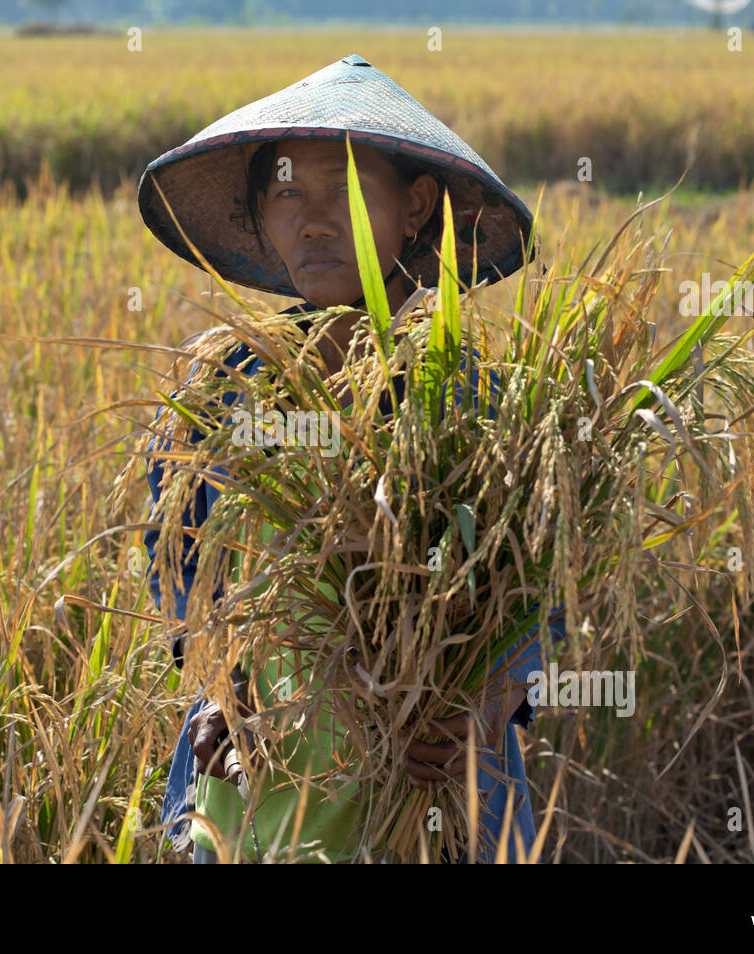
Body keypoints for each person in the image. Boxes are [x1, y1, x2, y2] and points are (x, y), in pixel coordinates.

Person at [136, 53, 566, 863]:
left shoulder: (482, 400)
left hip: (434, 790)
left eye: (342, 190)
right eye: (288, 193)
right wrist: (216, 690)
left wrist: (478, 713)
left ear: (416, 207)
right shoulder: (218, 390)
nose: (314, 219)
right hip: (254, 789)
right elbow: (176, 566)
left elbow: (542, 604)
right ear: (262, 219)